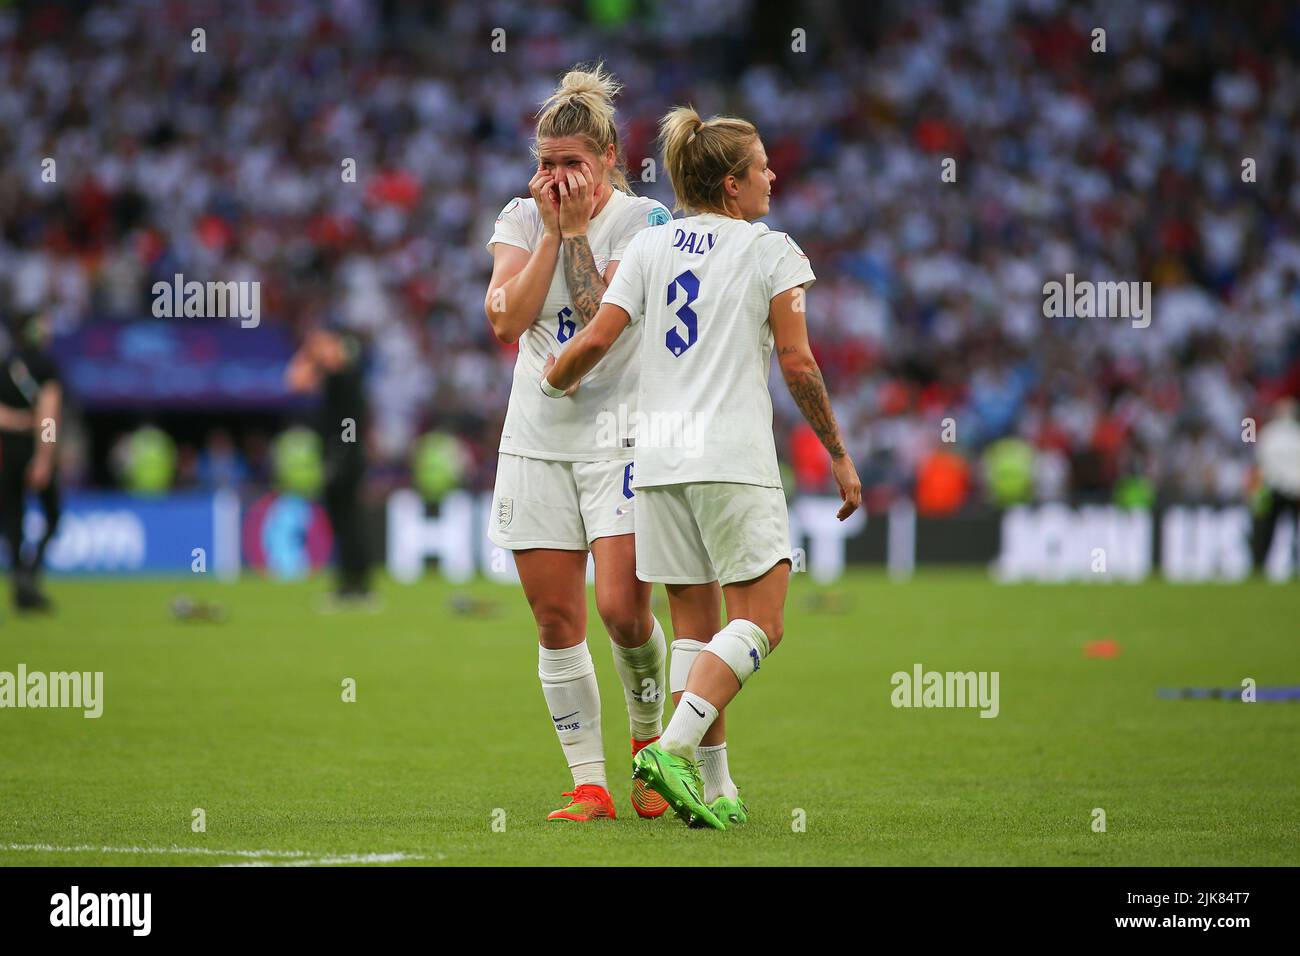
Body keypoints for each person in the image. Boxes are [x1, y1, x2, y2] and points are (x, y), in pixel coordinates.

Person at [542, 106, 862, 829]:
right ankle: (672, 748)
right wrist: (838, 451)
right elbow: (798, 360)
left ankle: (715, 790)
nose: (772, 176)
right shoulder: (768, 249)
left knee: (696, 628)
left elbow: (598, 333)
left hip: (655, 461)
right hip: (729, 457)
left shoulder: (653, 248)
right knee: (765, 623)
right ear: (729, 186)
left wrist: (555, 375)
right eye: (760, 167)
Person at [484, 63, 680, 822]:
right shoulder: (520, 216)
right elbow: (505, 318)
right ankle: (589, 783)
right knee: (555, 619)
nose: (555, 177)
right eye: (545, 162)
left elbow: (606, 315)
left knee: (624, 608)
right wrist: (551, 237)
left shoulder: (646, 222)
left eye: (571, 163)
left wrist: (573, 238)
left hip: (622, 438)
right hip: (536, 438)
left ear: (607, 162)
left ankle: (646, 745)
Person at [286, 326, 373, 605]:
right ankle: (354, 584)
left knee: (347, 520)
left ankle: (355, 586)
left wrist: (310, 353)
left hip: (343, 456)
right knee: (343, 521)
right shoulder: (341, 375)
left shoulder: (343, 375)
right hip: (342, 454)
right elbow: (295, 382)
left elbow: (295, 380)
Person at [0, 311, 63, 613]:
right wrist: (44, 457)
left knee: (13, 517)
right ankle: (29, 573)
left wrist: (17, 421)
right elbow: (49, 417)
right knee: (52, 516)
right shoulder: (44, 366)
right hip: (32, 450)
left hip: (5, 451)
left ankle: (19, 582)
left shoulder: (5, 364)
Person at [1254, 397, 1300, 573]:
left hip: (1273, 489)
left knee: (1267, 530)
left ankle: (1260, 564)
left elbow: (1261, 463)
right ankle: (1294, 565)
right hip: (1295, 491)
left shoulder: (1269, 433)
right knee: (1295, 533)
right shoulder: (1296, 434)